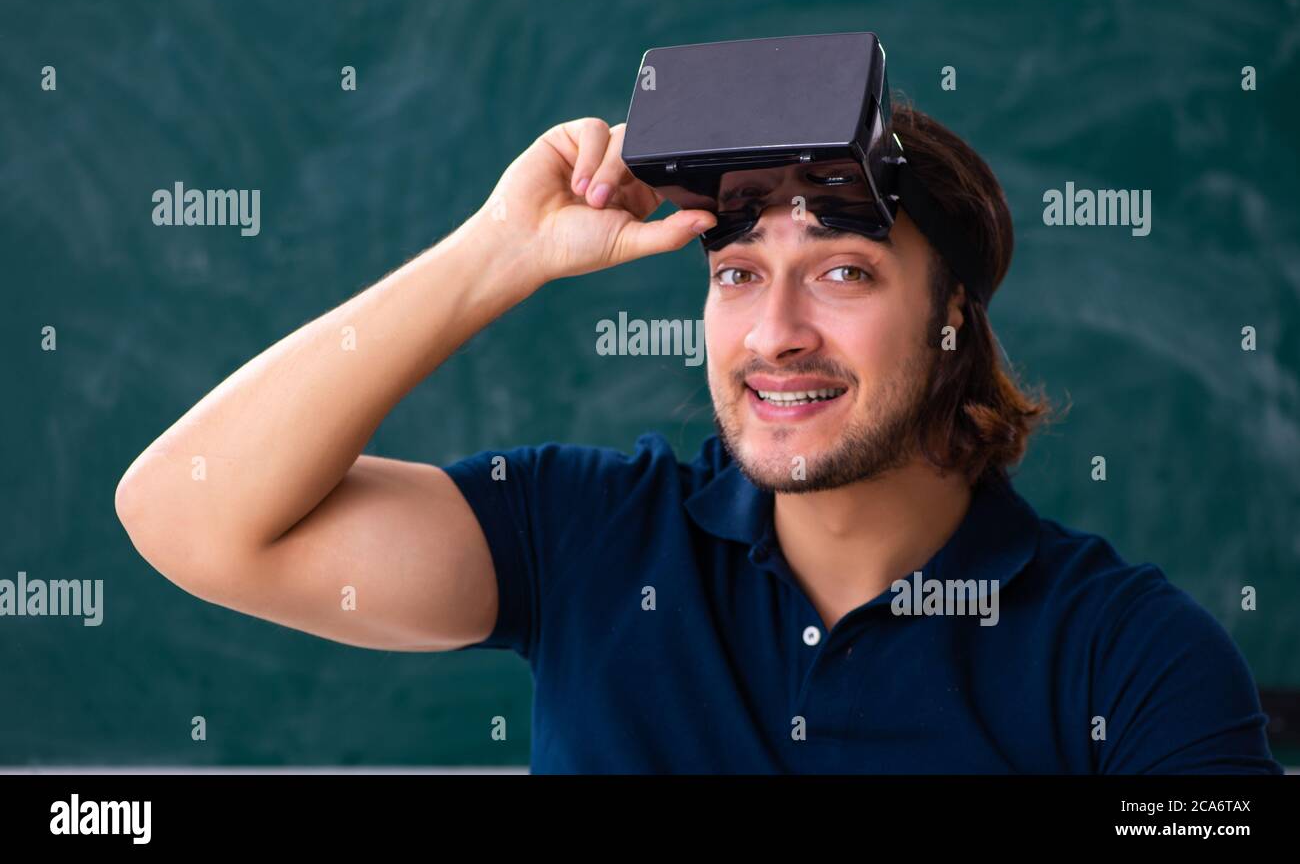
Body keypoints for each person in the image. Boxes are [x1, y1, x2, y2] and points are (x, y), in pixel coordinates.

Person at [115, 104, 1283, 774]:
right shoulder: (588, 539)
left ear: (949, 317)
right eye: (735, 275)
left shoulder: (1133, 662)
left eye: (842, 271)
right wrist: (497, 252)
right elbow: (189, 515)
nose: (774, 333)